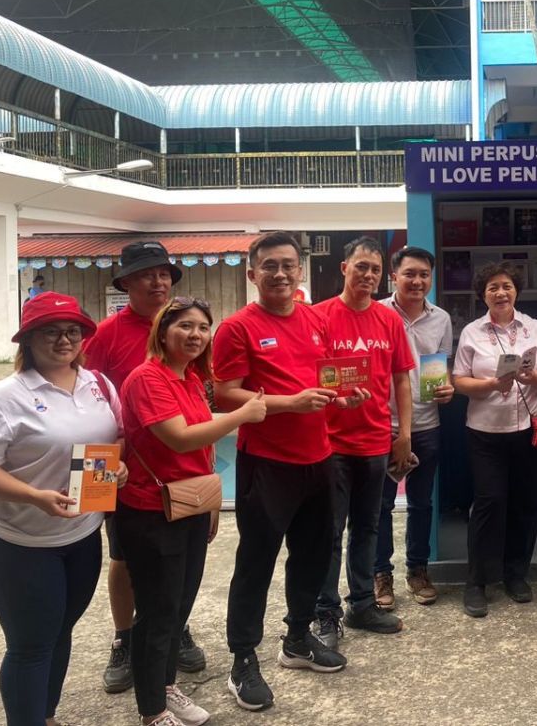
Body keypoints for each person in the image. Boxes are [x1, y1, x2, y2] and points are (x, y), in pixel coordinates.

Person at [0, 292, 128, 726]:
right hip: (17, 540)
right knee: (31, 644)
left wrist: (118, 466)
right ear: (28, 340)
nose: (63, 340)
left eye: (72, 331)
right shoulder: (3, 397)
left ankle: (45, 716)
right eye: (50, 331)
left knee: (61, 630)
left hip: (81, 533)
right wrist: (33, 496)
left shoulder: (98, 384)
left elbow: (115, 436)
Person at [213, 232, 365, 712]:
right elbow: (225, 394)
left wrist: (339, 396)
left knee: (314, 556)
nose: (280, 273)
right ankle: (243, 658)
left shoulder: (314, 319)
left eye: (288, 265)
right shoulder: (237, 327)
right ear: (252, 273)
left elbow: (321, 378)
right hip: (267, 464)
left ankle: (297, 639)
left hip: (319, 458)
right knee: (255, 562)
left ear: (301, 270)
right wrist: (288, 403)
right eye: (270, 265)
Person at [117, 297, 268, 726]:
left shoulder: (190, 379)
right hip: (151, 511)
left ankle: (165, 688)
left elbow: (200, 453)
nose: (196, 335)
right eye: (185, 326)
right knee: (157, 611)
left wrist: (211, 503)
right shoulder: (148, 378)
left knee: (179, 605)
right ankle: (152, 710)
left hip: (189, 504)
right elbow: (180, 439)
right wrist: (242, 414)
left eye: (203, 328)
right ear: (162, 331)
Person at [85, 241, 207, 693]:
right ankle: (125, 636)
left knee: (181, 562)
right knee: (122, 555)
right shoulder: (107, 333)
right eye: (146, 275)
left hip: (179, 470)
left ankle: (172, 628)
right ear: (125, 283)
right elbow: (85, 391)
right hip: (120, 464)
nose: (157, 282)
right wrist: (95, 470)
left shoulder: (181, 328)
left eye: (164, 275)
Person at [314, 237, 415, 636]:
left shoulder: (389, 319)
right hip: (331, 443)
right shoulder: (319, 317)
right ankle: (326, 613)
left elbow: (401, 380)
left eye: (374, 270)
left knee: (368, 528)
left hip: (376, 441)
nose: (368, 276)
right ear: (344, 268)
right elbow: (311, 375)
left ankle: (362, 605)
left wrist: (403, 433)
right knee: (329, 531)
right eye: (361, 267)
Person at [452, 261, 537, 618]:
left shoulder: (535, 328)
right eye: (493, 288)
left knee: (525, 503)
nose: (501, 293)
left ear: (516, 290)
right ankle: (477, 582)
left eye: (507, 286)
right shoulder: (472, 332)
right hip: (486, 431)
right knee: (489, 501)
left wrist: (532, 378)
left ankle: (516, 574)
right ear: (483, 295)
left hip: (532, 428)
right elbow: (459, 382)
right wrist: (489, 385)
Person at [374, 246, 454, 609]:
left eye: (424, 274)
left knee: (422, 503)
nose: (417, 281)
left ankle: (418, 570)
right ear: (394, 276)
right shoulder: (376, 314)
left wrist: (446, 388)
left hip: (426, 422)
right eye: (410, 274)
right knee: (379, 506)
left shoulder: (441, 319)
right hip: (379, 424)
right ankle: (380, 575)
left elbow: (438, 369)